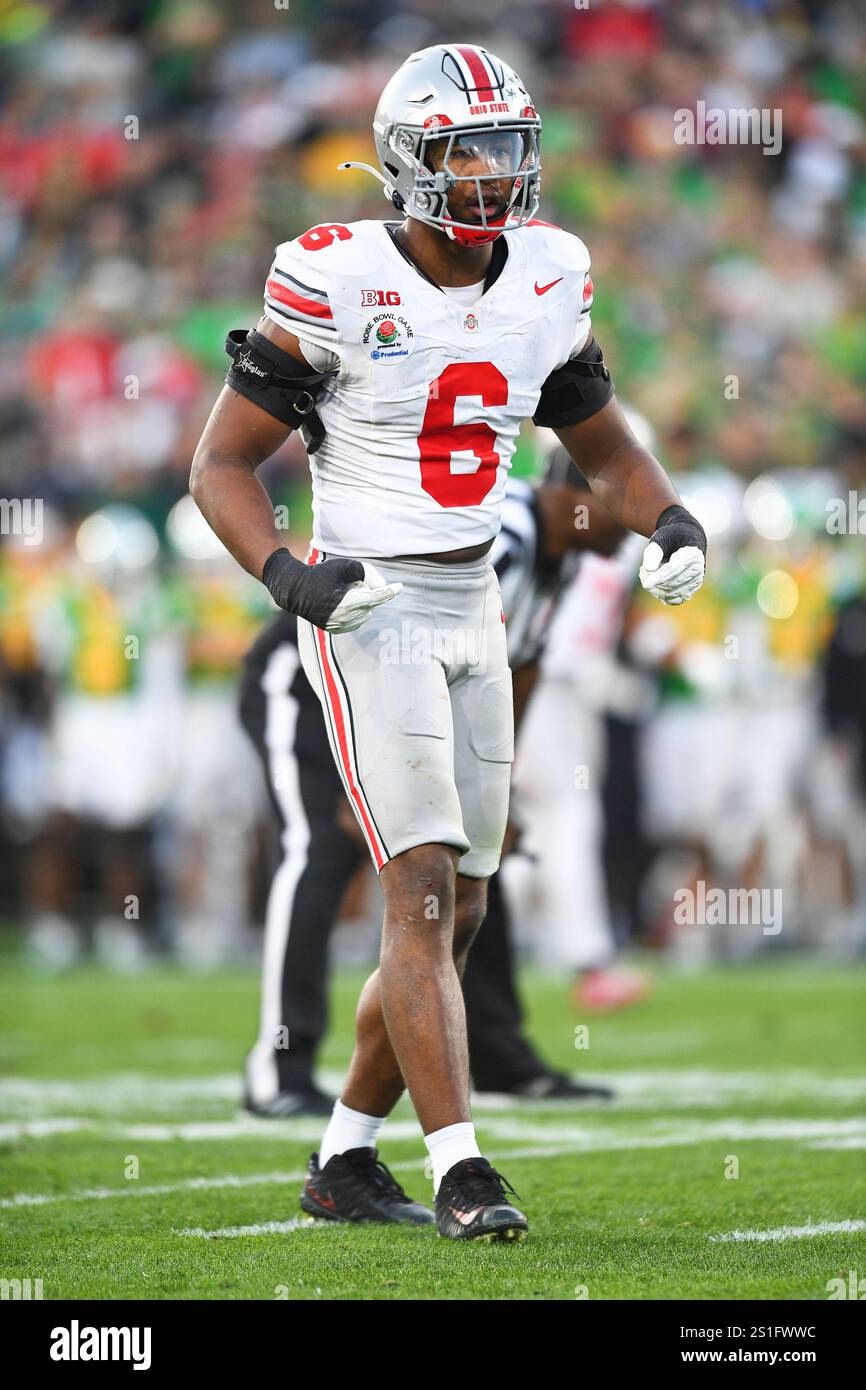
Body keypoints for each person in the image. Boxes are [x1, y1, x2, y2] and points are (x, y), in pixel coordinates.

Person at [190, 43, 706, 1243]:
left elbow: (603, 442)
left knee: (463, 909)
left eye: (505, 149)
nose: (488, 175)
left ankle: (339, 1158)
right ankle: (462, 1163)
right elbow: (218, 463)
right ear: (405, 161)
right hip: (372, 609)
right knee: (416, 889)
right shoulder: (331, 276)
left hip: (477, 600)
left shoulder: (548, 275)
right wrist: (285, 571)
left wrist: (667, 512)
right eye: (462, 151)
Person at [240, 463, 622, 1119]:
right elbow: (403, 633)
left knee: (472, 855)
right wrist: (360, 773)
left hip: (404, 696)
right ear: (574, 493)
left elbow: (514, 667)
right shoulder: (501, 532)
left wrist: (494, 785)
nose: (639, 521)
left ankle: (499, 1053)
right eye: (628, 501)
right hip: (317, 679)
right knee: (321, 851)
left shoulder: (561, 561)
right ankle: (280, 1067)